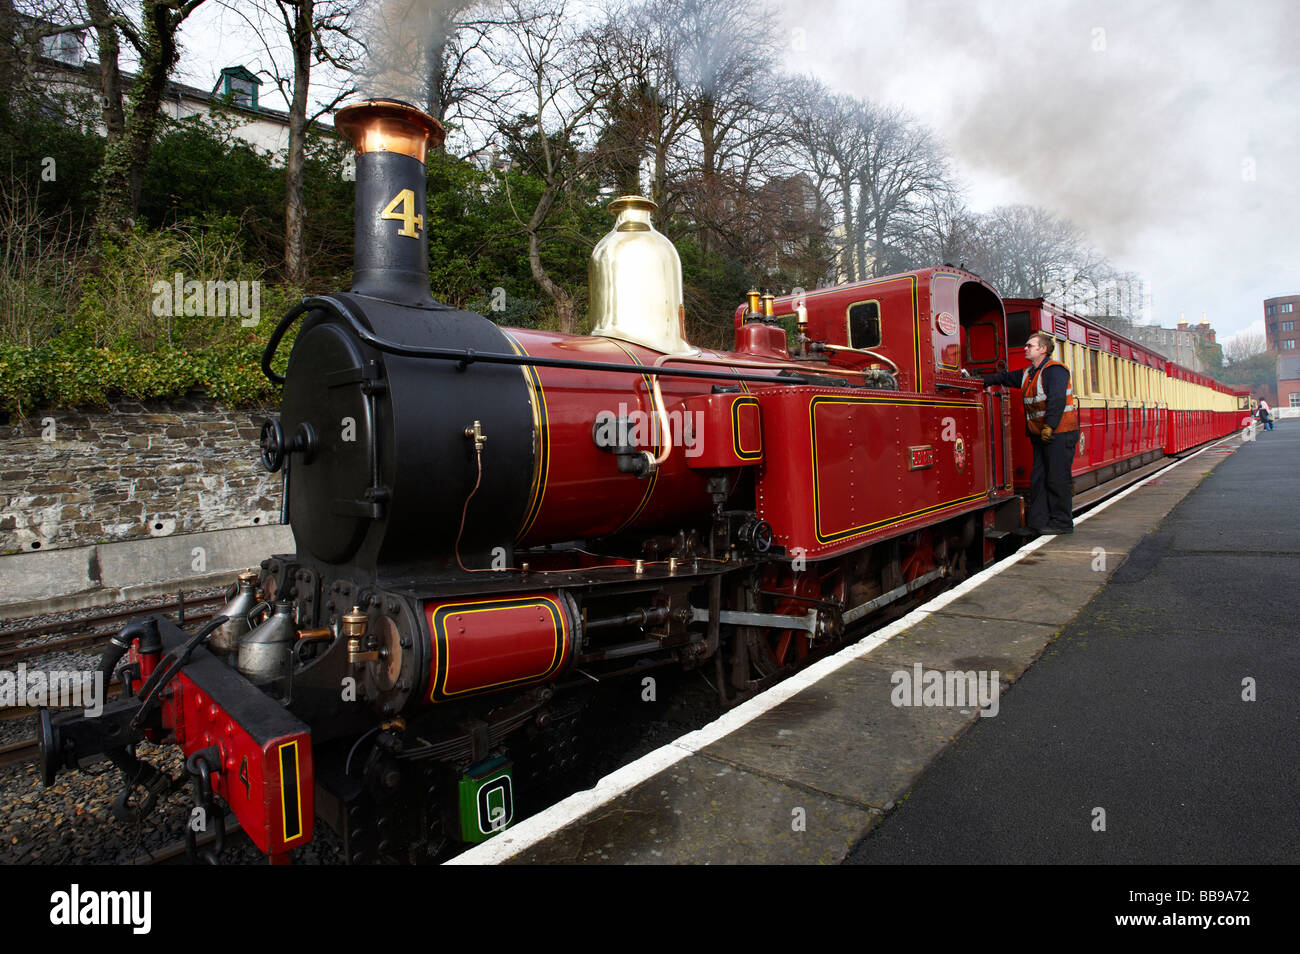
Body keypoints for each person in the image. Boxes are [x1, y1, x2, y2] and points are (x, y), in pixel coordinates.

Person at [966, 332, 1079, 534]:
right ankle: (1038, 524)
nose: (1025, 348)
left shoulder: (1056, 371)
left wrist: (1049, 426)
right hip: (1041, 435)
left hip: (1059, 434)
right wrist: (976, 381)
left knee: (1057, 478)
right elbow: (1004, 377)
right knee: (1039, 479)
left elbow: (1057, 400)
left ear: (1043, 349)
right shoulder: (1029, 373)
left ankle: (1062, 523)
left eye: (1030, 345)